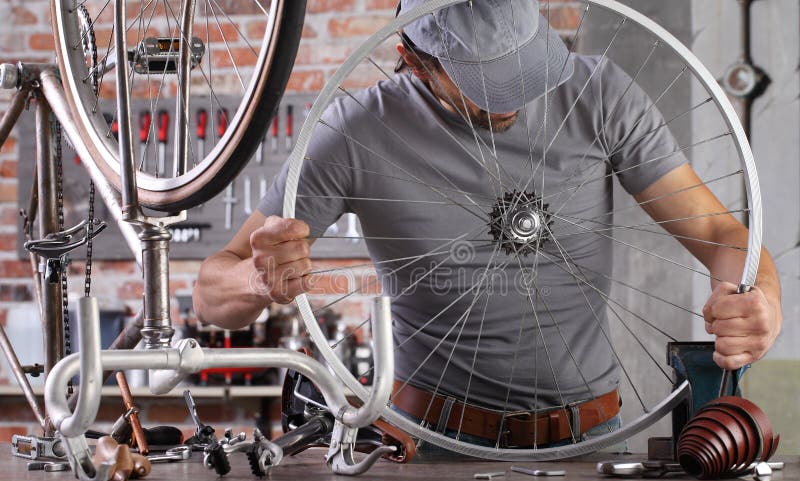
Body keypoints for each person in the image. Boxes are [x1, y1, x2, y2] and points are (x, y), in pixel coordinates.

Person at [193, 0, 782, 449]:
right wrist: (256, 280)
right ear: (414, 59)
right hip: (429, 441)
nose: (510, 97)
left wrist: (764, 303)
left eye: (523, 67)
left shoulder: (600, 94)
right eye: (483, 80)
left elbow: (720, 234)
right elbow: (210, 293)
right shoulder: (354, 129)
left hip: (590, 438)